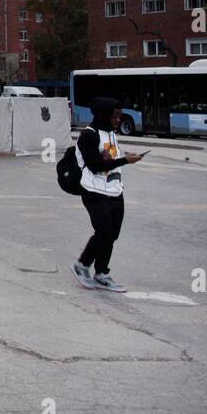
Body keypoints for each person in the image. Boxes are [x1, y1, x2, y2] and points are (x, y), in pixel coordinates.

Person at [72, 97, 145, 293]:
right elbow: (95, 165)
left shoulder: (112, 133)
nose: (118, 120)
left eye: (119, 116)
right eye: (115, 116)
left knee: (112, 235)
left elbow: (112, 157)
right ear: (105, 115)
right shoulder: (89, 135)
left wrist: (128, 157)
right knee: (103, 233)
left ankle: (101, 274)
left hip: (114, 192)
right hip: (94, 192)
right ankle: (82, 264)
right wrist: (125, 161)